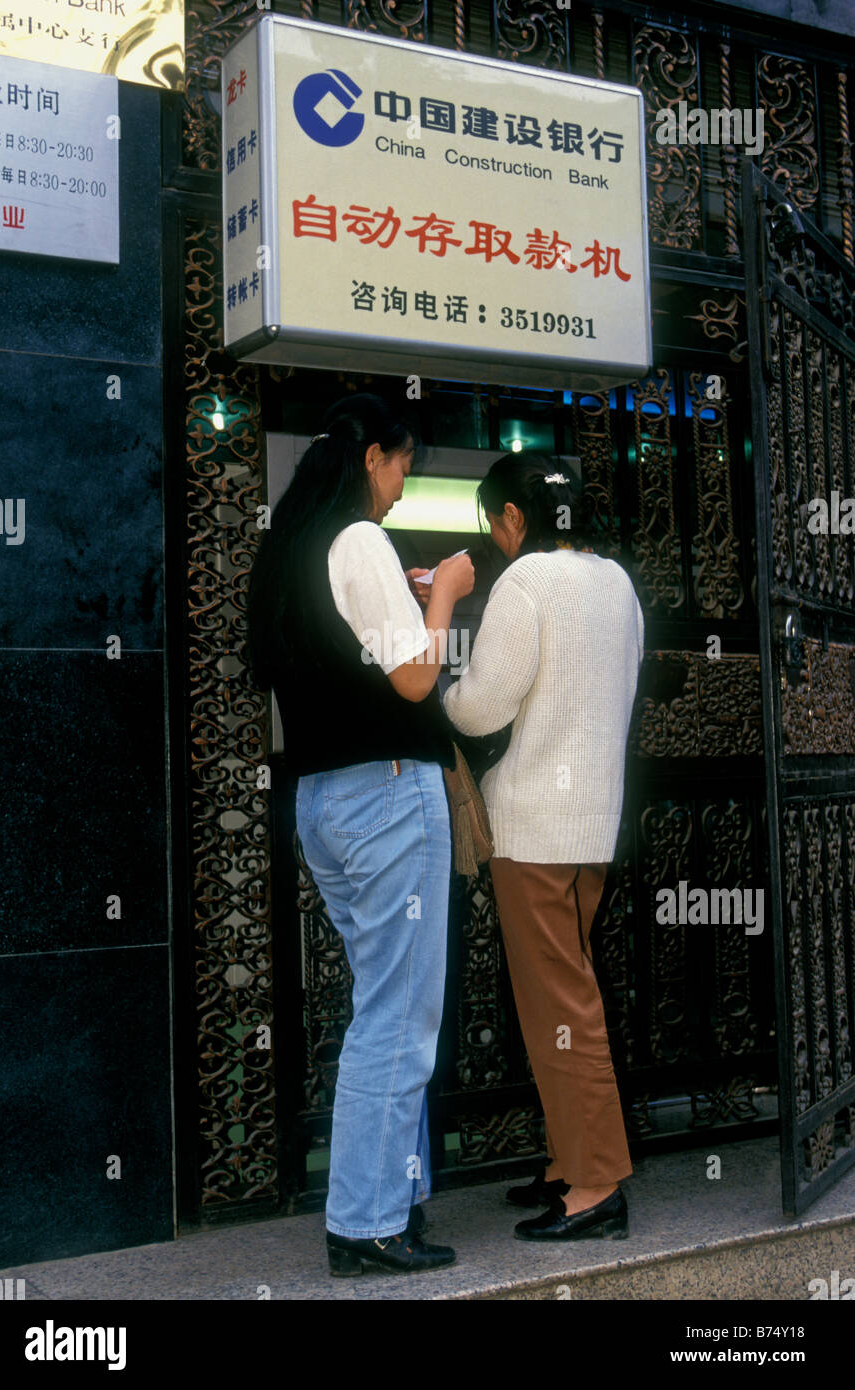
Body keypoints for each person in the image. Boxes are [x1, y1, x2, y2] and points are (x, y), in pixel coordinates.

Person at [246, 393, 474, 1276]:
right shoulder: (360, 538)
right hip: (386, 793)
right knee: (399, 1012)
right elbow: (418, 679)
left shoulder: (292, 548)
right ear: (372, 457)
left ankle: (393, 1203)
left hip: (323, 803)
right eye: (403, 466)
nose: (403, 488)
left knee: (383, 1003)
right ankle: (368, 1223)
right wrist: (446, 595)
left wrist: (409, 602)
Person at [443, 451, 643, 1241]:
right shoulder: (617, 583)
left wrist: (443, 693)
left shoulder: (525, 584)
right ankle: (569, 1164)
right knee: (567, 999)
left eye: (494, 522)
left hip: (533, 828)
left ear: (513, 519)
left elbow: (484, 706)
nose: (495, 537)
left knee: (562, 1010)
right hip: (593, 824)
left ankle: (596, 1187)